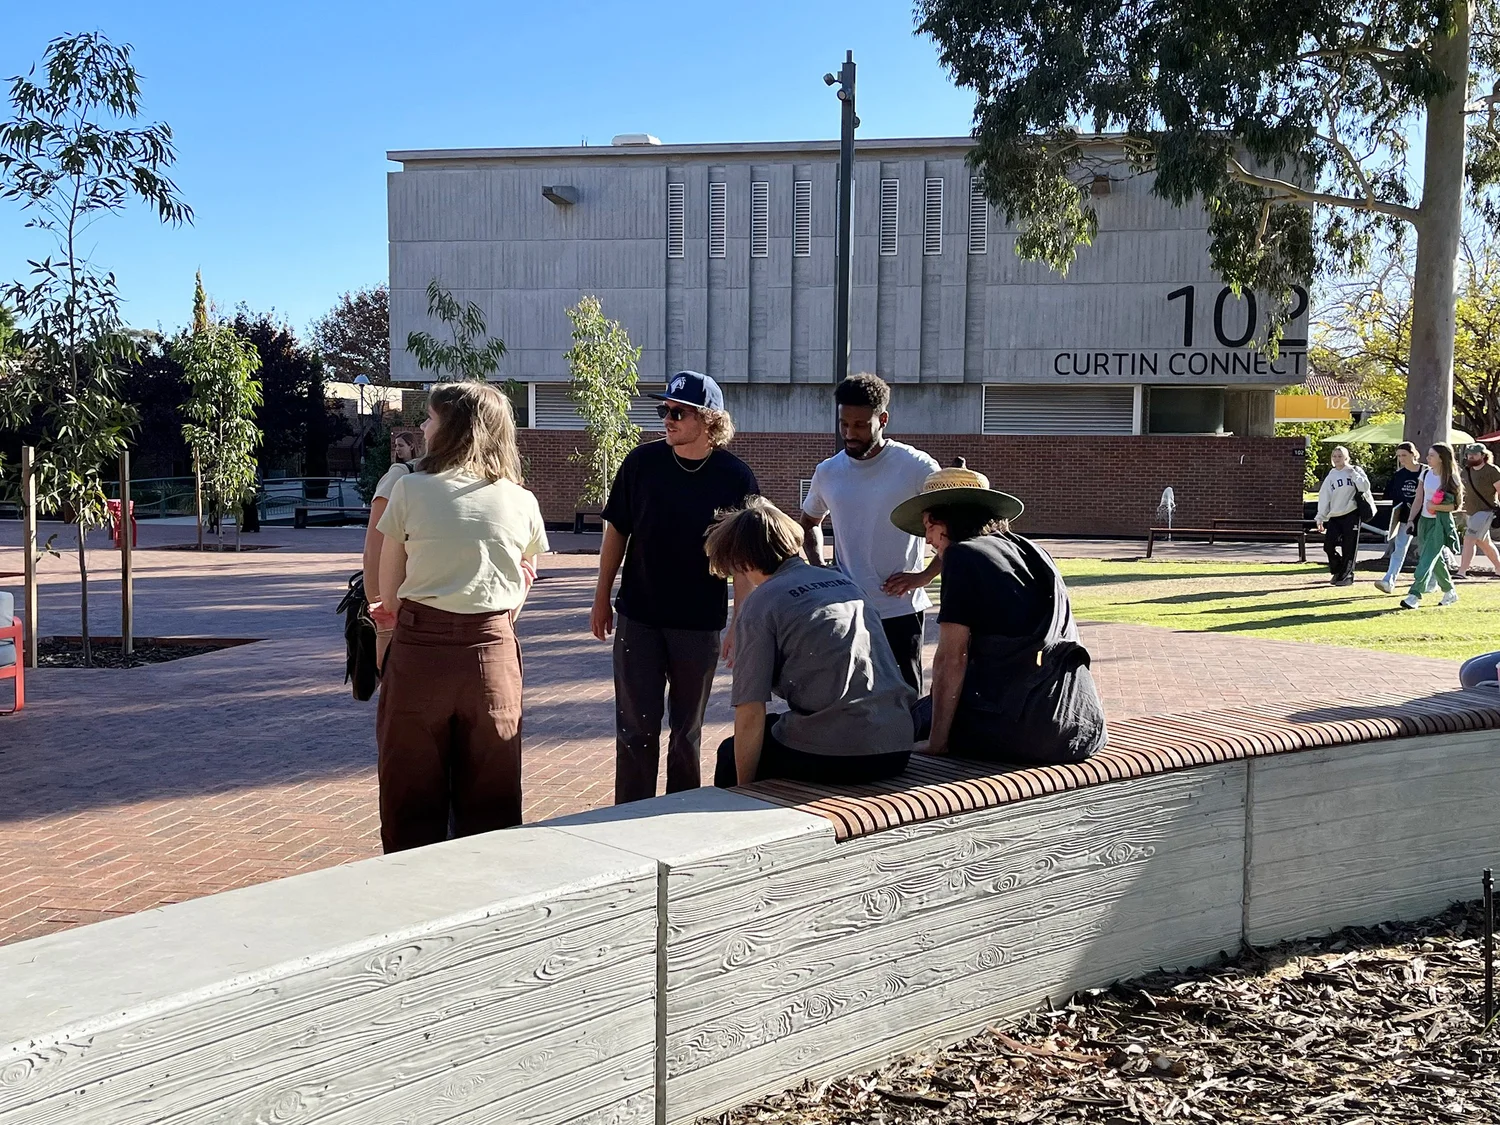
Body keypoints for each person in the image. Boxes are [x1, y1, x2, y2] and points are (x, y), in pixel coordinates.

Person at [373, 383, 549, 851]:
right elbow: (518, 594)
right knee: (493, 797)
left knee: (410, 797)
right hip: (491, 652)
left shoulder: (409, 489)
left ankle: (412, 887)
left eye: (430, 418)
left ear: (453, 427)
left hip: (420, 652)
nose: (423, 427)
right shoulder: (521, 500)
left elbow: (389, 592)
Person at [591, 370, 759, 803]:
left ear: (709, 420)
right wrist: (601, 598)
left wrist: (739, 624)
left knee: (687, 733)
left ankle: (677, 815)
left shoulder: (735, 477)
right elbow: (617, 532)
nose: (667, 419)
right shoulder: (641, 464)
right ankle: (628, 818)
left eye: (678, 412)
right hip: (639, 617)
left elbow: (743, 563)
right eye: (664, 410)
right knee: (635, 730)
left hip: (698, 624)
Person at [893, 459, 1107, 764]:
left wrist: (936, 742)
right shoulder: (1032, 550)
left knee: (909, 719)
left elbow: (951, 658)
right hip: (1081, 725)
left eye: (929, 525)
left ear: (950, 519)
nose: (927, 539)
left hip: (1026, 731)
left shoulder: (961, 556)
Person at [705, 498, 915, 786]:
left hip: (844, 754)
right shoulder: (843, 582)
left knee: (731, 753)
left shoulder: (762, 602)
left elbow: (750, 712)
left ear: (742, 561)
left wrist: (744, 788)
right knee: (780, 727)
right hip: (897, 741)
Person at [799, 374, 940, 693]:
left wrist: (924, 576)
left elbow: (957, 530)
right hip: (846, 610)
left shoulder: (917, 467)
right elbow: (809, 522)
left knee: (905, 700)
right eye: (844, 424)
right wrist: (819, 568)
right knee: (849, 700)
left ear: (883, 420)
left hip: (900, 610)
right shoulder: (828, 471)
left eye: (860, 425)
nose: (850, 434)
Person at [363, 428, 427, 667]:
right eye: (396, 446)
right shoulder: (399, 475)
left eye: (401, 445)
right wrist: (381, 615)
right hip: (397, 608)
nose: (397, 450)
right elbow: (374, 550)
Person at [1399, 443, 1463, 610]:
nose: (1427, 458)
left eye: (1431, 455)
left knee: (1426, 559)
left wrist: (1435, 507)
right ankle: (1450, 591)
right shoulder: (1425, 473)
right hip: (1424, 521)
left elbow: (1456, 506)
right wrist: (1411, 519)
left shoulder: (1451, 478)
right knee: (1435, 559)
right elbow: (1418, 499)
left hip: (1440, 523)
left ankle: (1414, 595)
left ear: (1441, 458)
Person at [1315, 446, 1374, 587]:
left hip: (1351, 513)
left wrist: (1353, 474)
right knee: (1328, 546)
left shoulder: (1355, 470)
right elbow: (1324, 497)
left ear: (1346, 457)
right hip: (1335, 515)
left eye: (1340, 456)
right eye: (1334, 456)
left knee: (1349, 547)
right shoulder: (1331, 475)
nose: (1337, 459)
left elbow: (1365, 487)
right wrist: (1320, 517)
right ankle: (1338, 569)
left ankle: (1347, 575)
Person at [1375, 442, 1424, 594]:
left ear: (1413, 454)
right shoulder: (1398, 475)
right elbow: (1392, 498)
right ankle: (1389, 580)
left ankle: (1434, 581)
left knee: (1429, 550)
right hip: (1404, 518)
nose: (1401, 458)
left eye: (1404, 455)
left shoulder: (1425, 472)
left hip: (1425, 517)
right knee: (1399, 549)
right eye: (1399, 456)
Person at [1457, 442, 1500, 579]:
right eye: (1469, 454)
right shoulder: (1465, 471)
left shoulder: (1492, 471)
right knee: (1484, 543)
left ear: (1483, 455)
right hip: (1470, 512)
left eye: (1474, 454)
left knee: (1469, 538)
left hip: (1485, 511)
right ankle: (1499, 569)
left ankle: (1462, 571)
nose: (1471, 457)